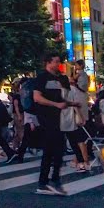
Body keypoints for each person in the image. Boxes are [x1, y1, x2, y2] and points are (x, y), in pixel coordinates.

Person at [33, 54, 70, 196]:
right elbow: (37, 98)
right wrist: (56, 104)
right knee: (50, 150)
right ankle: (46, 182)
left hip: (57, 118)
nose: (58, 64)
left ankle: (53, 180)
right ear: (48, 63)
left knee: (58, 150)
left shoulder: (57, 79)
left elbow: (59, 99)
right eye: (56, 61)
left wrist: (71, 104)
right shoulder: (41, 78)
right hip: (46, 118)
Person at [61, 74, 90, 172]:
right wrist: (81, 117)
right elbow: (76, 106)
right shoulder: (72, 90)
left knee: (57, 142)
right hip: (70, 120)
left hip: (60, 120)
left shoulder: (58, 91)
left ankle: (55, 161)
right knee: (75, 142)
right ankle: (81, 163)